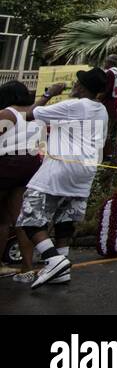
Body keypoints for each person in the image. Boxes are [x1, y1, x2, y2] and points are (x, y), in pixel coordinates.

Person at [4, 69, 111, 288]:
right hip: (85, 171)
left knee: (29, 216)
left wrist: (49, 93)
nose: (74, 85)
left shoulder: (75, 105)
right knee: (65, 218)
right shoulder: (101, 110)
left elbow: (31, 114)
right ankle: (62, 267)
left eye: (77, 82)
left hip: (61, 167)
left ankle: (54, 260)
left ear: (82, 87)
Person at [0, 80, 42, 277]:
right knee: (19, 219)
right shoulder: (36, 114)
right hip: (30, 164)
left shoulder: (7, 113)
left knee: (1, 221)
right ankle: (27, 267)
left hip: (6, 164)